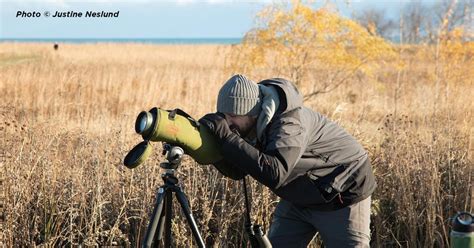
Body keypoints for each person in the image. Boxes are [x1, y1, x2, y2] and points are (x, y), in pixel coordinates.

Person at [199, 74, 376, 248]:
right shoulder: (246, 125)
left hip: (343, 192)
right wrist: (208, 144)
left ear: (252, 112)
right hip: (301, 193)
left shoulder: (289, 124)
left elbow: (275, 173)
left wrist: (226, 137)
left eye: (233, 115)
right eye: (223, 116)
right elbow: (238, 170)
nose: (228, 122)